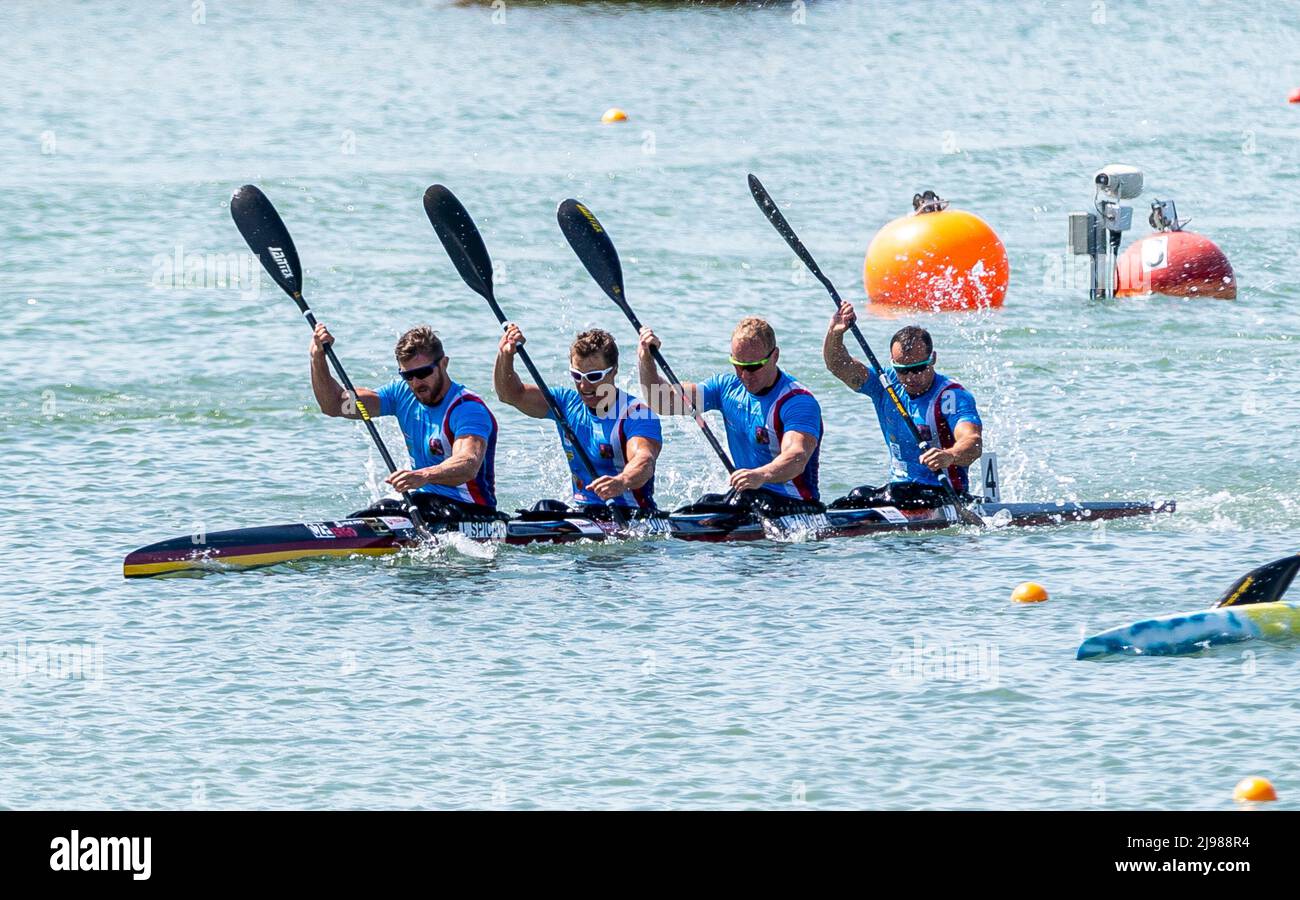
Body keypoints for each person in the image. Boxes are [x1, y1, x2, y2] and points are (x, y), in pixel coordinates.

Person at [310, 323, 500, 520]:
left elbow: (468, 464)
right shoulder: (401, 393)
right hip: (423, 502)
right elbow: (334, 405)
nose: (416, 383)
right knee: (379, 509)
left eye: (424, 372)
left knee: (405, 507)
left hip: (471, 511)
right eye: (408, 375)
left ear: (444, 363)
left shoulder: (467, 408)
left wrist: (423, 476)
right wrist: (317, 358)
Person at [637, 316, 823, 511]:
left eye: (753, 367)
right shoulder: (726, 388)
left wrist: (760, 476)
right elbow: (662, 401)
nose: (744, 375)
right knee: (704, 504)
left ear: (775, 356)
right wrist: (646, 359)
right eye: (737, 365)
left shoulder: (797, 402)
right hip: (748, 497)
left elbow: (797, 457)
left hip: (793, 503)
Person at [822, 302, 982, 507]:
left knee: (883, 496)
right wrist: (835, 333)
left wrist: (949, 456)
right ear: (892, 363)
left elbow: (973, 442)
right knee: (856, 495)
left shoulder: (951, 396)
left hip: (943, 493)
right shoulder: (885, 384)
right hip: (899, 490)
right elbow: (837, 365)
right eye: (903, 370)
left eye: (918, 369)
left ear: (932, 359)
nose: (910, 377)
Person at [494, 325, 662, 516]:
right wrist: (506, 354)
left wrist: (621, 481)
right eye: (577, 375)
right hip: (584, 512)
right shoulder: (565, 404)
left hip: (631, 514)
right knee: (544, 508)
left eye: (593, 376)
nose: (584, 385)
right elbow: (509, 394)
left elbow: (644, 461)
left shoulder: (637, 415)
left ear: (613, 371)